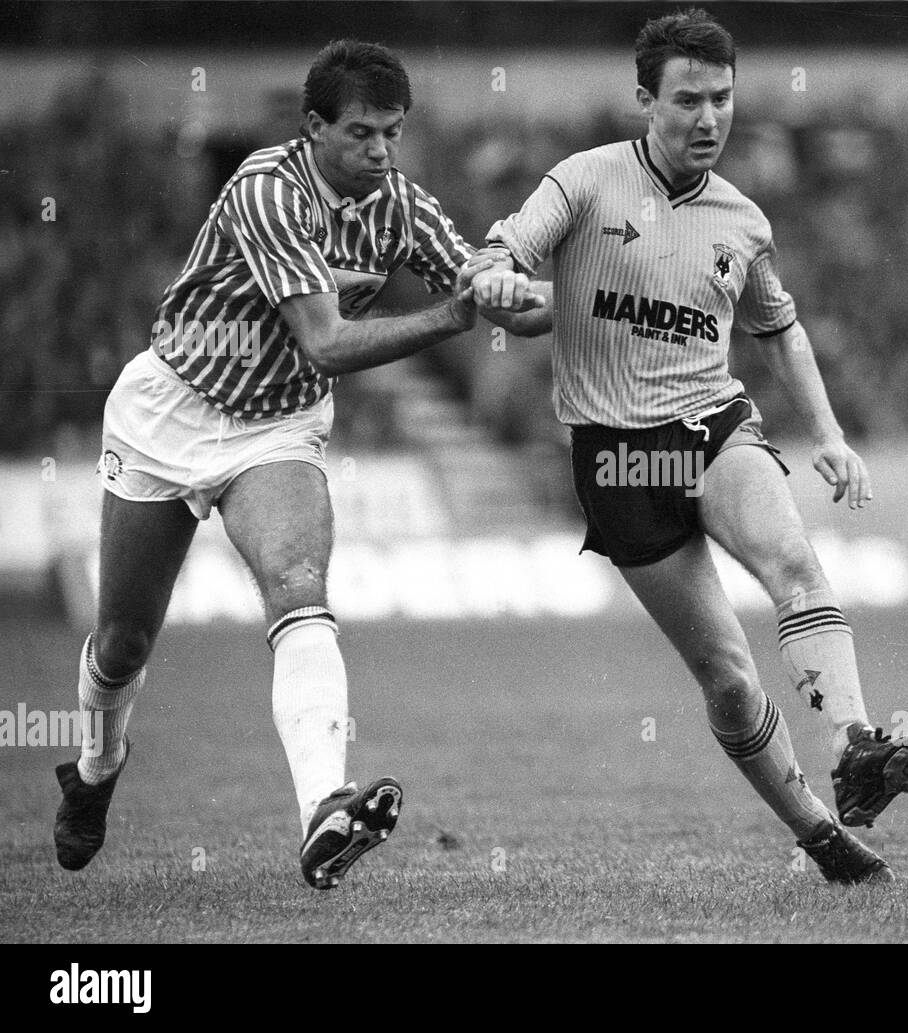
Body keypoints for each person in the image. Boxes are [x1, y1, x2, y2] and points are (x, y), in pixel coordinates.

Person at [53, 39, 544, 890]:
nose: (381, 151)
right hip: (169, 412)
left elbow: (487, 286)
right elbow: (325, 340)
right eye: (361, 132)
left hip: (277, 426)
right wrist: (453, 315)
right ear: (313, 127)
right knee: (123, 642)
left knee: (297, 582)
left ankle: (325, 809)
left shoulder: (400, 203)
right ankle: (96, 767)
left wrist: (516, 294)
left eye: (393, 132)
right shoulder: (267, 189)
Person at [471, 9, 908, 883]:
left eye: (722, 98)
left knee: (794, 562)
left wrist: (830, 435)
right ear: (646, 100)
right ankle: (822, 836)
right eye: (689, 99)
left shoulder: (742, 221)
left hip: (712, 427)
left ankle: (856, 741)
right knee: (727, 679)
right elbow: (508, 247)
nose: (709, 117)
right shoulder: (584, 181)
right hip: (618, 461)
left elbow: (779, 328)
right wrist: (496, 276)